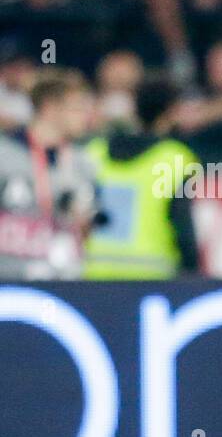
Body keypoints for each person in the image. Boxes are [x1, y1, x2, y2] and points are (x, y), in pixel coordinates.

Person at [83, 74, 201, 278]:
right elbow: (182, 227)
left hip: (93, 273)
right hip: (151, 278)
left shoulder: (95, 152)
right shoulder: (175, 158)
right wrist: (192, 273)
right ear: (172, 111)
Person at [0, 69, 100, 279]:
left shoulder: (84, 164)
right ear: (50, 108)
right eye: (78, 109)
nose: (87, 117)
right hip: (8, 279)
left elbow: (87, 230)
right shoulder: (5, 154)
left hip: (63, 282)